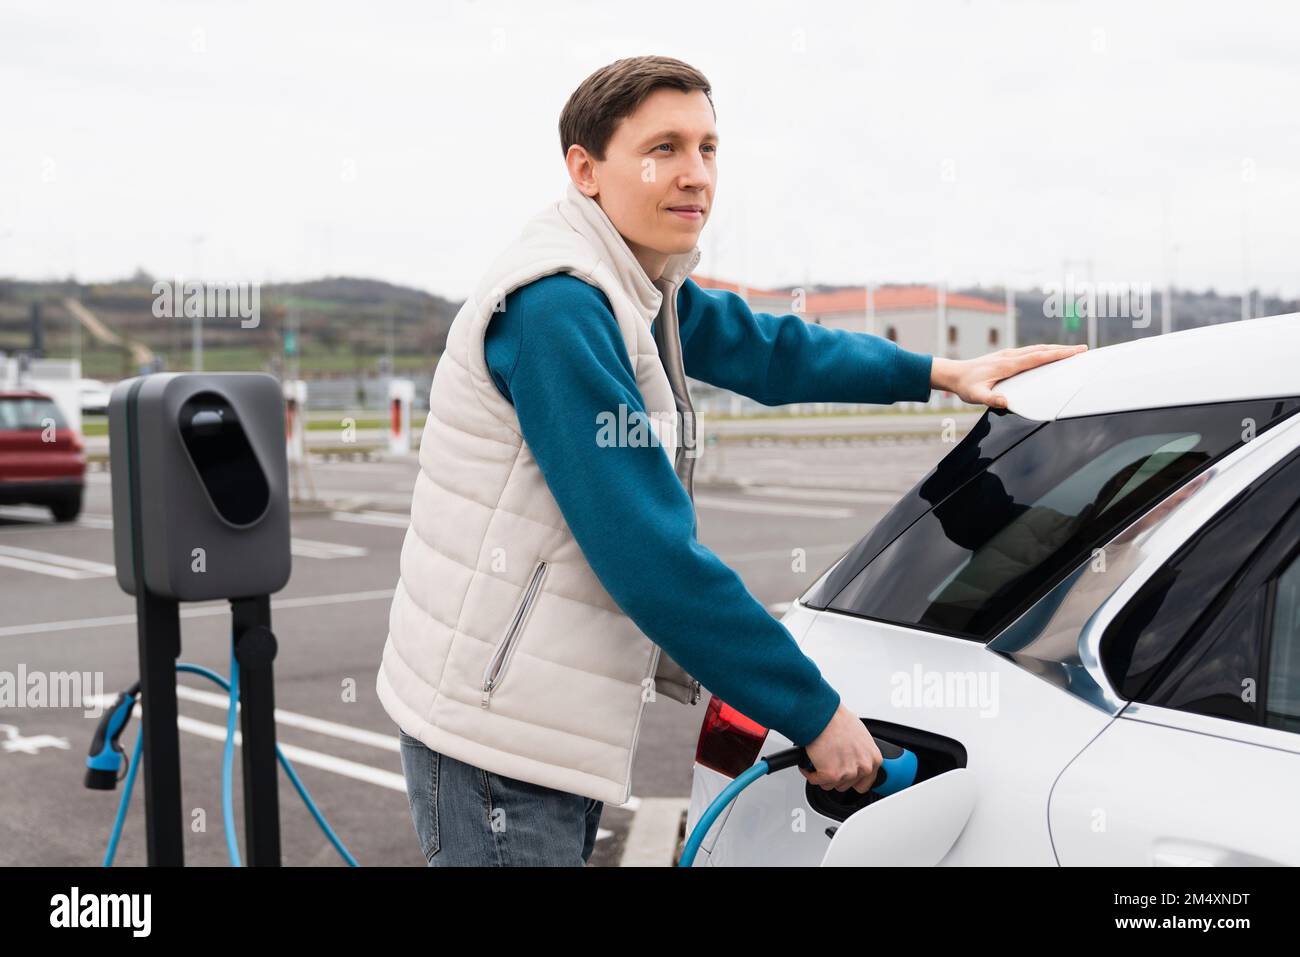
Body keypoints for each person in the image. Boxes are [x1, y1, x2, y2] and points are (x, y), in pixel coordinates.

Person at [377, 54, 1085, 866]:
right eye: (665, 148)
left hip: (529, 716)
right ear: (586, 169)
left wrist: (936, 373)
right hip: (493, 738)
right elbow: (651, 557)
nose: (695, 175)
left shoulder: (639, 281)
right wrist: (814, 713)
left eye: (709, 148)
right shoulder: (559, 306)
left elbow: (769, 349)